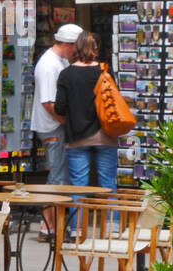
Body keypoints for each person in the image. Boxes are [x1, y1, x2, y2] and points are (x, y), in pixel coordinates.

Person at [31, 22, 82, 233]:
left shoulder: (55, 61)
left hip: (51, 125)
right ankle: (47, 225)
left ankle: (49, 224)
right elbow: (48, 102)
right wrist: (66, 122)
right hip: (52, 127)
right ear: (69, 45)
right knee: (57, 175)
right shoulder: (50, 65)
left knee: (58, 174)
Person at [54, 30, 118, 192]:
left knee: (79, 188)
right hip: (105, 136)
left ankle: (79, 218)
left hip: (77, 138)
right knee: (108, 185)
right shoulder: (105, 71)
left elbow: (59, 108)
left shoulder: (66, 75)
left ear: (76, 48)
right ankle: (111, 218)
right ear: (96, 49)